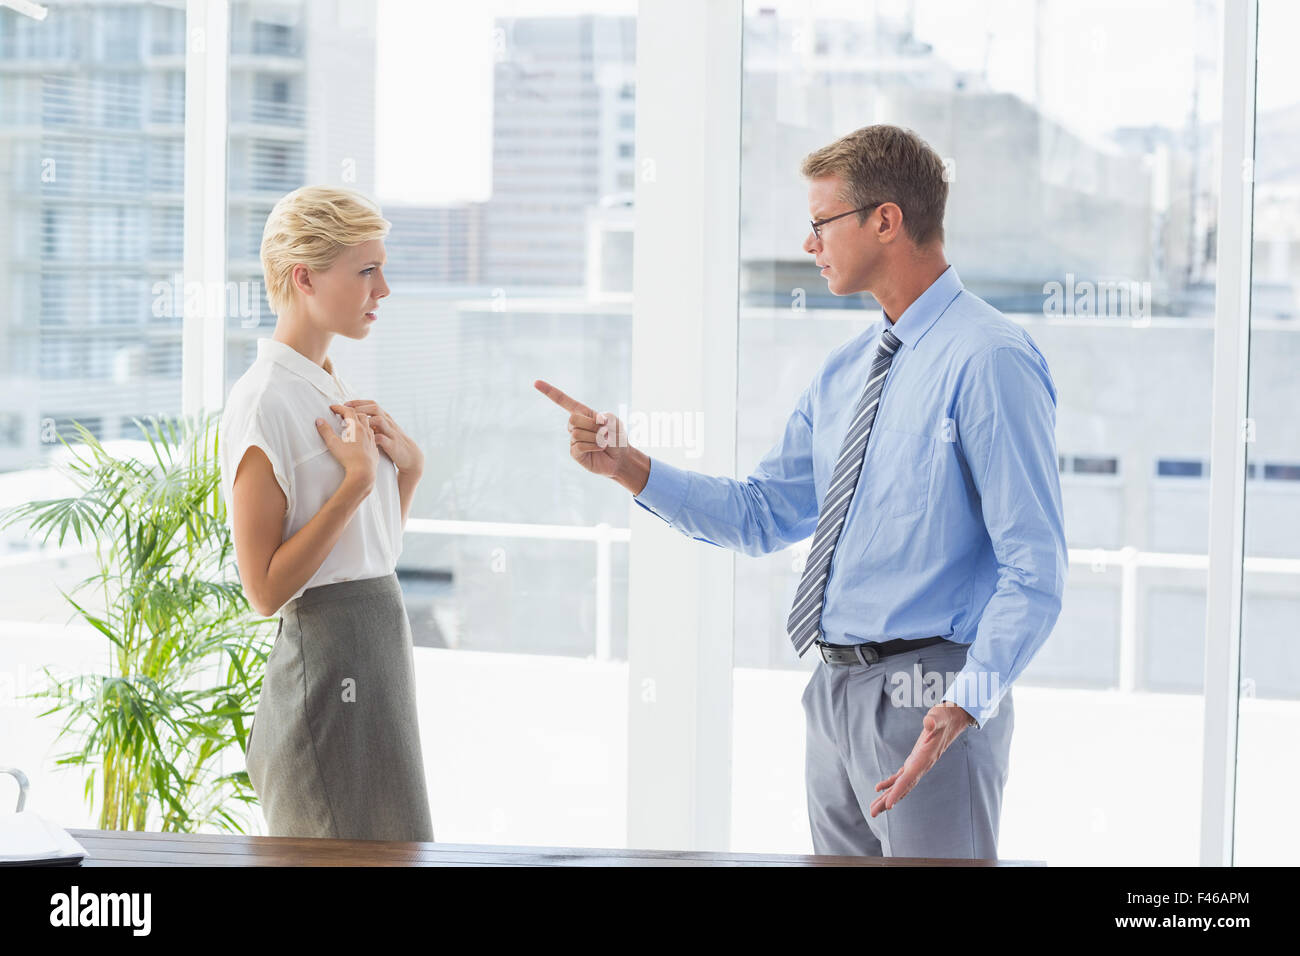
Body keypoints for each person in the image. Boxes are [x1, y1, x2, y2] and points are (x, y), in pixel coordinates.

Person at [536, 124, 1067, 859]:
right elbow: (762, 514)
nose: (810, 246)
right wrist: (630, 468)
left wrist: (967, 702)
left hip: (930, 697)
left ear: (886, 220)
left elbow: (1034, 565)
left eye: (821, 223)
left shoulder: (990, 359)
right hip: (834, 693)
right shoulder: (847, 370)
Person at [218, 185, 434, 841]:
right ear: (305, 277)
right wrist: (356, 482)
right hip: (327, 677)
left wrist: (410, 469)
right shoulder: (265, 402)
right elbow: (264, 590)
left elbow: (370, 556)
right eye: (367, 270)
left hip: (377, 653)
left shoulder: (329, 384)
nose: (384, 289)